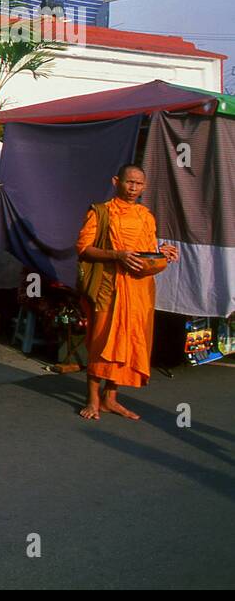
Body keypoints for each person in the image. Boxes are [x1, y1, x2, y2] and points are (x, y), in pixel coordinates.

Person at [75, 164, 179, 420]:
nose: (133, 188)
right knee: (102, 341)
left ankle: (111, 398)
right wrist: (116, 255)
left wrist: (162, 251)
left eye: (139, 184)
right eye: (129, 182)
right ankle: (93, 399)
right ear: (116, 181)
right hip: (109, 286)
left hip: (138, 289)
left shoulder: (146, 216)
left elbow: (146, 250)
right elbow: (83, 248)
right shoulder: (101, 212)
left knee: (129, 342)